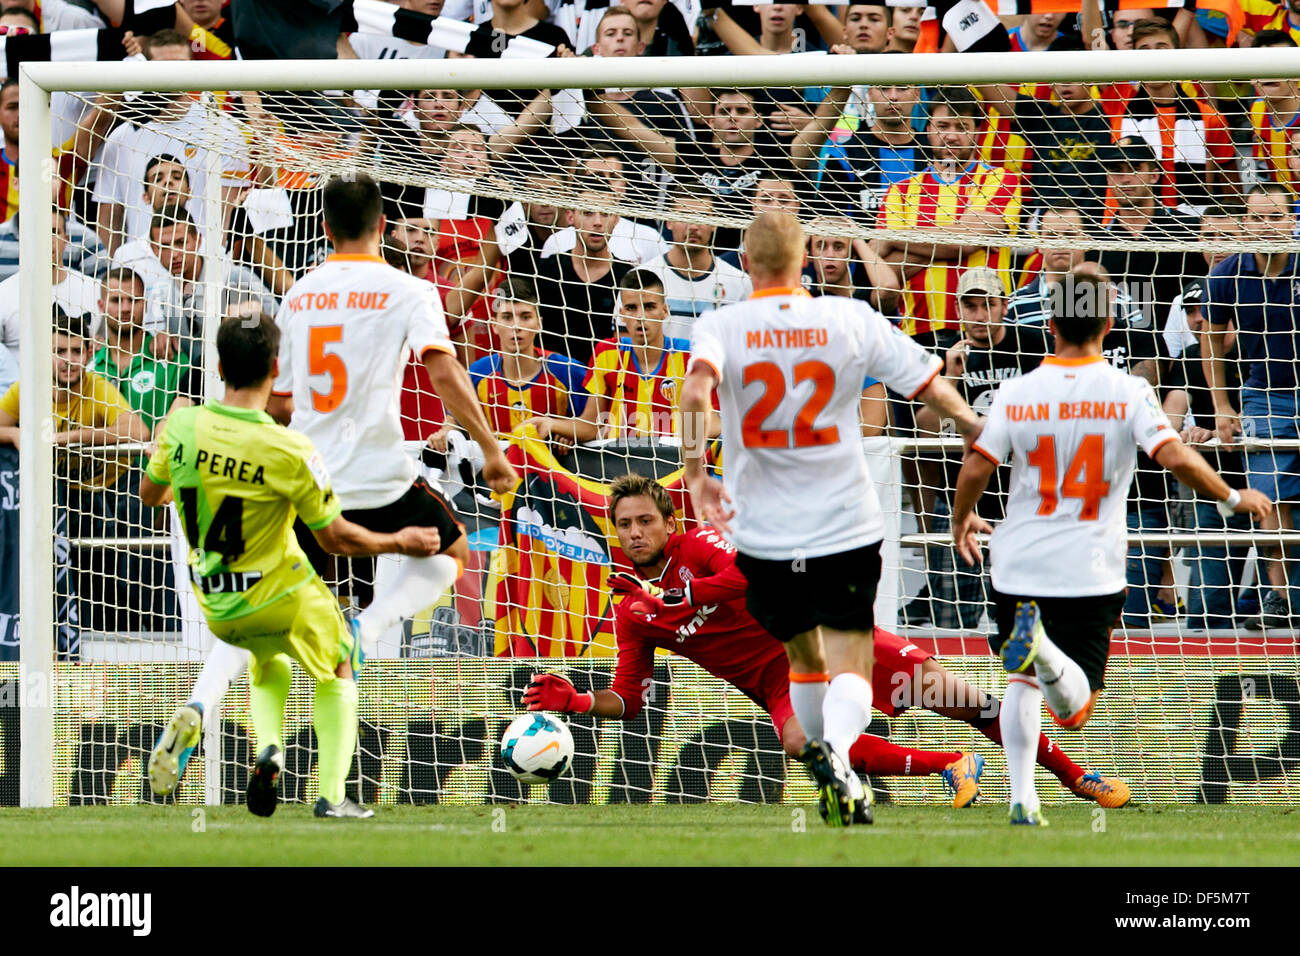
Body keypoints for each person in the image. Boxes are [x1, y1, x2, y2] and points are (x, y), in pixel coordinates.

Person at [523, 474, 1133, 809]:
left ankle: (1074, 777)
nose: (634, 533)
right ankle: (949, 766)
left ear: (668, 524)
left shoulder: (698, 548)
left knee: (963, 699)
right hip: (779, 682)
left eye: (645, 521)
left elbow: (751, 575)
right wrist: (576, 701)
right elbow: (632, 697)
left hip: (829, 637)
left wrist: (685, 600)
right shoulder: (630, 610)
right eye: (624, 525)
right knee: (801, 742)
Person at [680, 211, 983, 826]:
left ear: (744, 261)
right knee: (852, 658)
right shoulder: (849, 318)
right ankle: (839, 755)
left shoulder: (722, 323)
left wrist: (694, 473)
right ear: (806, 262)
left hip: (763, 531)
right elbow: (931, 387)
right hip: (845, 521)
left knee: (803, 660)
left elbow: (692, 394)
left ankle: (832, 764)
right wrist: (984, 431)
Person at [951, 266, 1272, 826]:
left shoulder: (1016, 392)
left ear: (1049, 324)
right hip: (1089, 567)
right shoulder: (1129, 391)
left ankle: (1022, 801)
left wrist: (962, 518)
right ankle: (1045, 652)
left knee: (1020, 681)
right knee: (1073, 712)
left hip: (1017, 560)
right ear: (1107, 321)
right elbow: (1174, 456)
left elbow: (978, 462)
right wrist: (1231, 497)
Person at [141, 312, 444, 819]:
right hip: (282, 592)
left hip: (218, 601)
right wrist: (401, 538)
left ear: (217, 366)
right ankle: (331, 795)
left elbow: (151, 494)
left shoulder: (182, 426)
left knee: (269, 661)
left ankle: (266, 748)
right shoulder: (290, 448)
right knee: (342, 659)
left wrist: (198, 478)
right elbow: (337, 537)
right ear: (276, 369)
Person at [1206, 182, 1300, 630]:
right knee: (1272, 495)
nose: (1267, 226)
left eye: (1275, 217)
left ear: (1291, 219)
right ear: (1245, 223)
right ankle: (1279, 595)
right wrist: (1223, 406)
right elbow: (1210, 339)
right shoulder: (1227, 272)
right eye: (1258, 218)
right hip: (1265, 394)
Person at [874, 86, 1022, 346]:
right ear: (929, 129)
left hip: (987, 331)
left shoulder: (1002, 180)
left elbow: (963, 242)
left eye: (962, 127)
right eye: (943, 126)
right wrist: (957, 240)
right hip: (916, 332)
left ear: (977, 131)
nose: (951, 136)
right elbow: (885, 271)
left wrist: (896, 238)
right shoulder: (900, 190)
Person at [431, 277, 586, 446]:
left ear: (539, 324)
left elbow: (596, 423)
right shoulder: (479, 373)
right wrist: (444, 432)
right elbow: (454, 421)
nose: (516, 326)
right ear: (494, 325)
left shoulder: (567, 371)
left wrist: (569, 431)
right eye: (507, 317)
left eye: (525, 317)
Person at [532, 186, 631, 366]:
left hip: (605, 385)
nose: (597, 222)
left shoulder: (627, 279)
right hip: (553, 383)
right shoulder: (547, 271)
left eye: (605, 214)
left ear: (616, 219)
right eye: (588, 213)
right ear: (571, 217)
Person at [642, 194, 751, 343]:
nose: (693, 226)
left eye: (702, 216)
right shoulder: (642, 279)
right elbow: (625, 348)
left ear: (714, 223)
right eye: (684, 215)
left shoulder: (740, 284)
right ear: (669, 221)